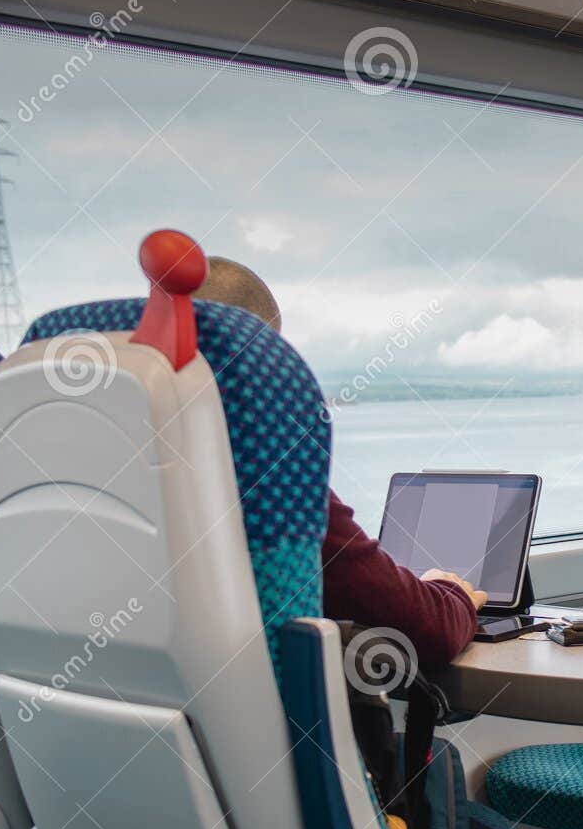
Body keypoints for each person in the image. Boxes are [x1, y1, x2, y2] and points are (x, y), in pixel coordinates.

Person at [195, 257, 485, 666]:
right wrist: (451, 595)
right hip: (270, 728)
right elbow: (428, 630)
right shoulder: (269, 481)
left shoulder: (102, 471)